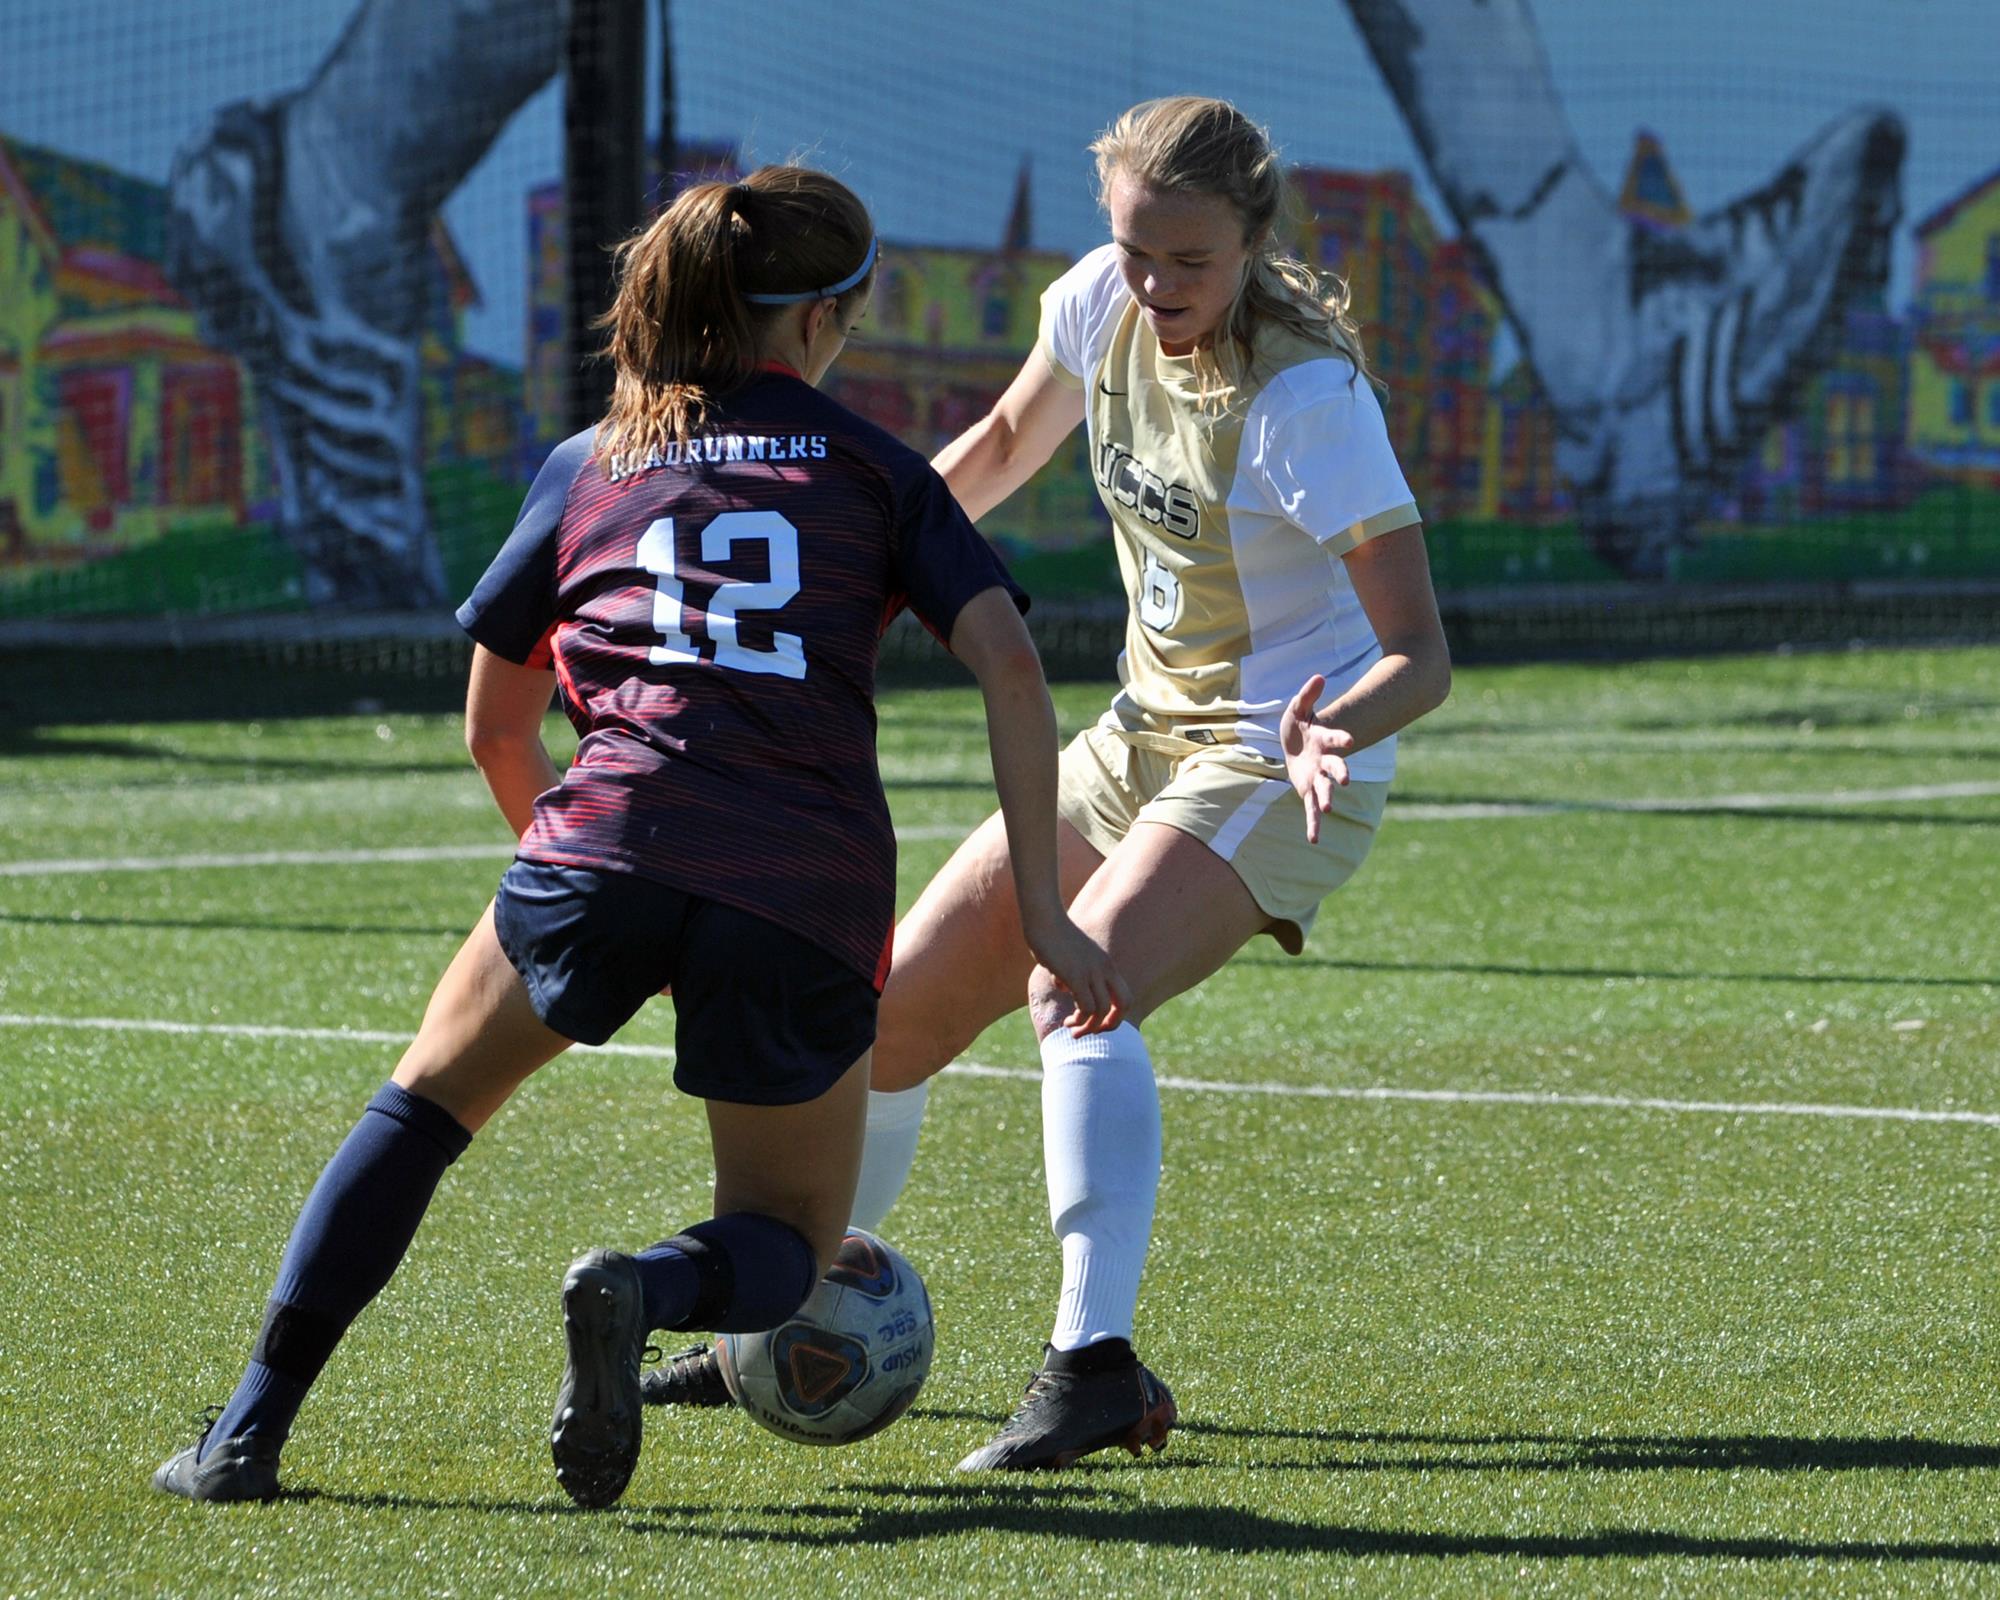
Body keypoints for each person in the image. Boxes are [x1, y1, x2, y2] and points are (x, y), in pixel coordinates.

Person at [152, 164, 1124, 1507]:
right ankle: (644, 1288)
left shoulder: (590, 463)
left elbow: (496, 729)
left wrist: (596, 880)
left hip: (603, 838)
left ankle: (243, 1436)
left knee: (420, 1110)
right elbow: (1011, 665)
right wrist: (1047, 909)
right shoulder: (880, 473)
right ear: (823, 317)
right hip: (799, 880)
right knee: (791, 1238)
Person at [638, 96, 1450, 1467]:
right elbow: (1004, 449)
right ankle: (778, 1309)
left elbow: (1421, 655)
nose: (1158, 285)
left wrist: (1337, 728)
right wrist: (853, 560)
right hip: (1140, 737)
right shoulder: (1096, 304)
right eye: (1136, 250)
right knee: (884, 1020)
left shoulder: (1308, 398)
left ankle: (1092, 1364)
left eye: (1190, 262)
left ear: (1252, 242)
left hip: (1280, 752)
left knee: (1079, 989)